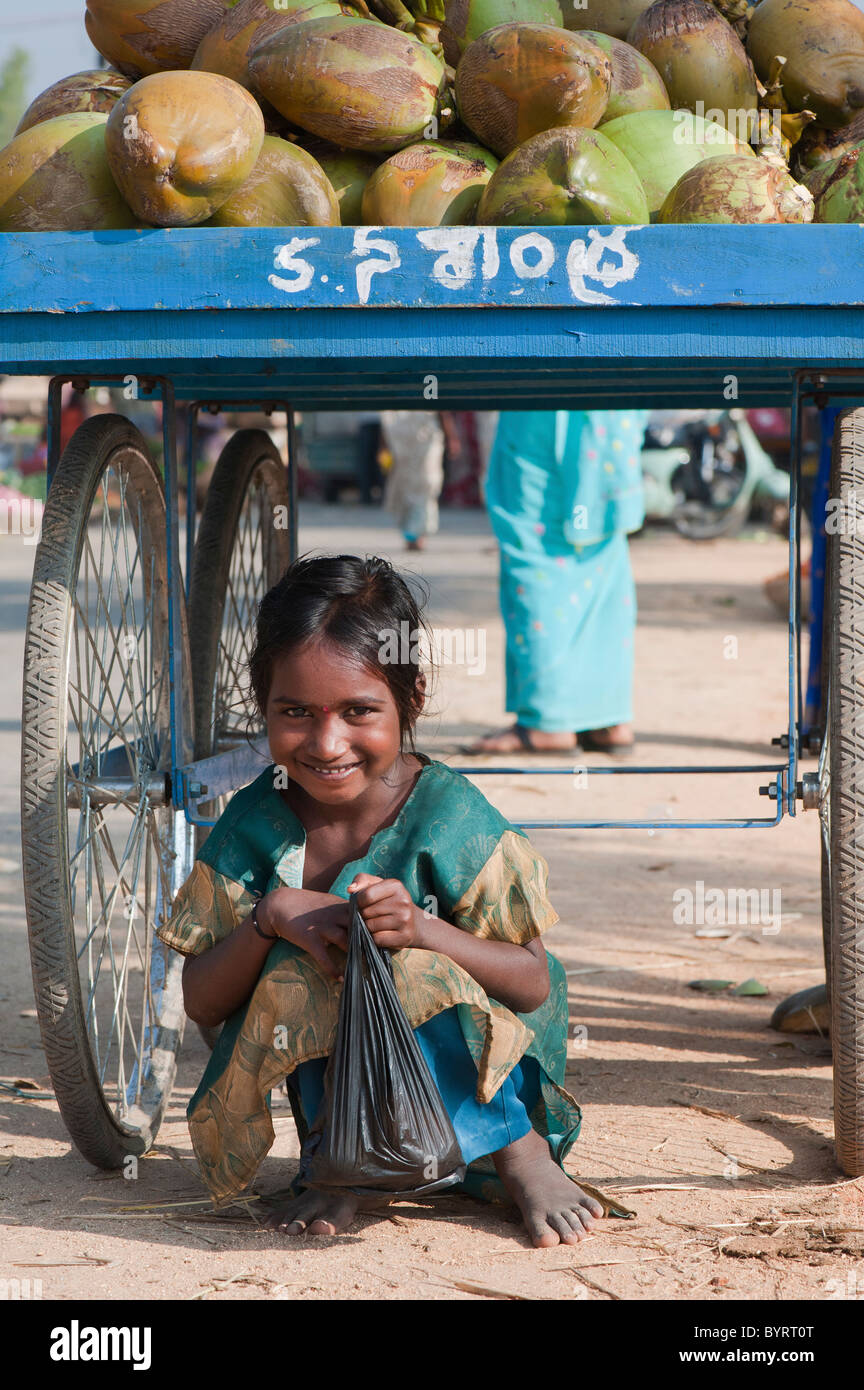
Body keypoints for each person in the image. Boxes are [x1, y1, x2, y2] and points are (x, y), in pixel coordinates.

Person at [157, 555, 601, 1247]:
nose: (327, 743)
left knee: (406, 966)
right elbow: (204, 1003)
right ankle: (340, 1169)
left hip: (474, 1086)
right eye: (295, 712)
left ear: (412, 699)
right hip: (336, 1095)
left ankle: (520, 1153)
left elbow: (533, 981)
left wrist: (425, 930)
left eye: (359, 712)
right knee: (303, 966)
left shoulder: (450, 816)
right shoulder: (253, 822)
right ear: (262, 703)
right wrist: (272, 918)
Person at [468, 409, 649, 755]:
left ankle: (547, 721)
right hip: (616, 400)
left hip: (545, 388)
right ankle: (608, 719)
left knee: (534, 545)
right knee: (603, 553)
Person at [380, 410, 445, 551]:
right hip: (400, 434)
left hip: (425, 432)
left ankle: (418, 534)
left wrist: (451, 435)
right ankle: (410, 535)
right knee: (404, 485)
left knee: (427, 483)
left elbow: (440, 403)